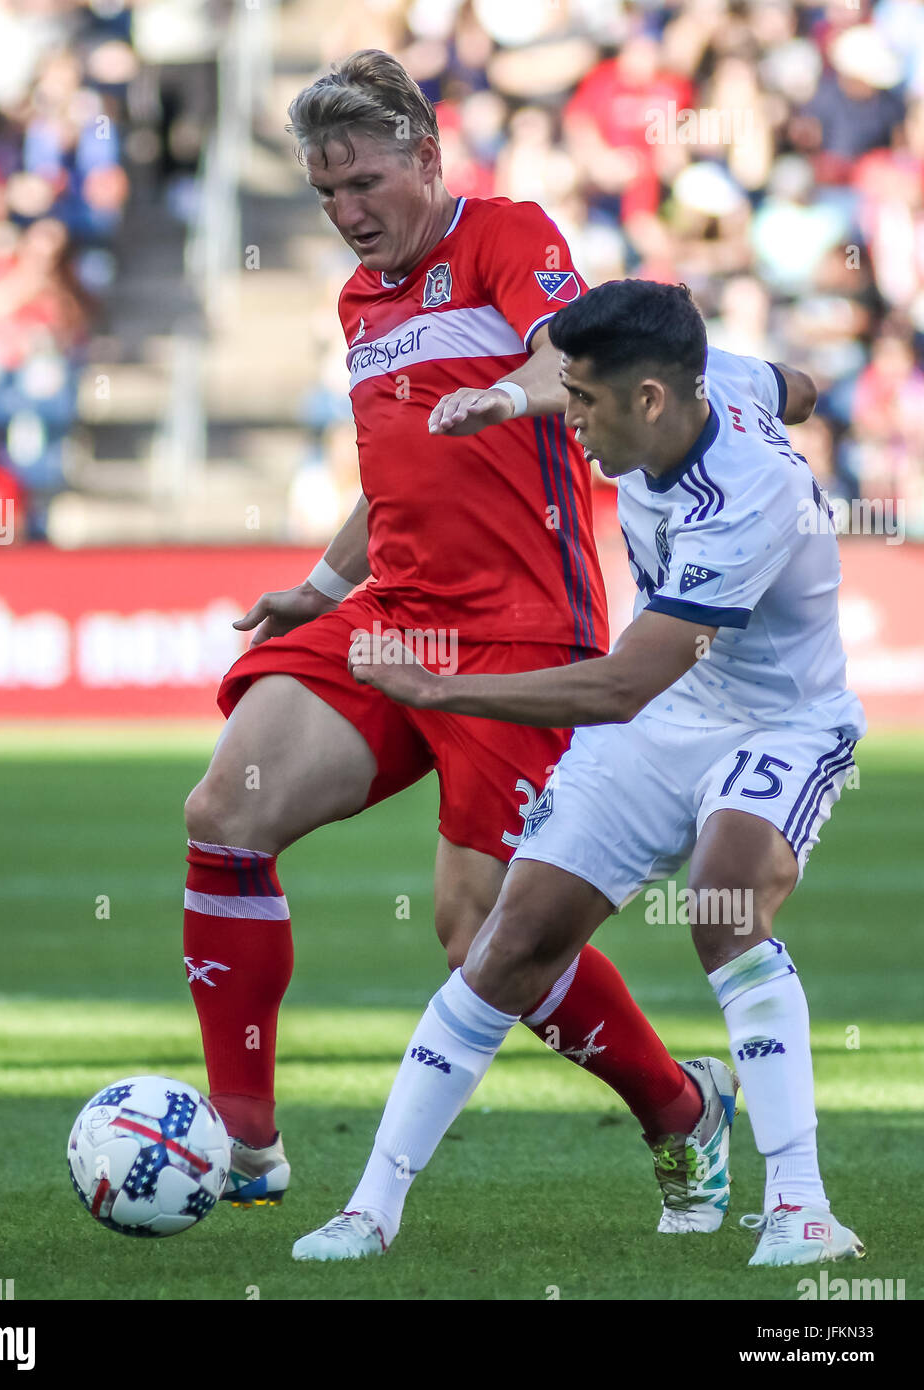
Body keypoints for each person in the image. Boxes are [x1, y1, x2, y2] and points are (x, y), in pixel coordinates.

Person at [182, 52, 735, 1229]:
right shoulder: (359, 301)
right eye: (326, 194)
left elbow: (568, 350)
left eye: (365, 182)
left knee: (481, 939)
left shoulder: (502, 232)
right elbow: (392, 474)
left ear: (426, 159)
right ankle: (244, 1142)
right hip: (390, 612)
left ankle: (682, 1108)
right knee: (225, 813)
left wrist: (513, 394)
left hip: (520, 634)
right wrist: (320, 584)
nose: (345, 215)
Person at [294, 279, 866, 1270]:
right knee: (509, 941)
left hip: (776, 720)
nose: (574, 424)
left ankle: (801, 1207)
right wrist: (515, 397)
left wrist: (435, 690)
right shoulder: (704, 376)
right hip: (664, 716)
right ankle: (369, 1209)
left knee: (723, 902)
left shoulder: (747, 501)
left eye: (582, 403)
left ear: (648, 400)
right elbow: (799, 387)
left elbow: (615, 685)